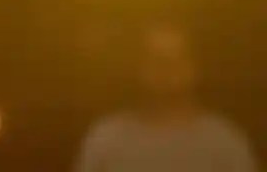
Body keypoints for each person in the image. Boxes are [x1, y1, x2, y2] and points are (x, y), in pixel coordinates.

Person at [73, 20, 259, 172]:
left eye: (177, 58)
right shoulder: (105, 139)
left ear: (195, 67)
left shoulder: (225, 142)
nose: (166, 68)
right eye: (155, 58)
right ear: (138, 66)